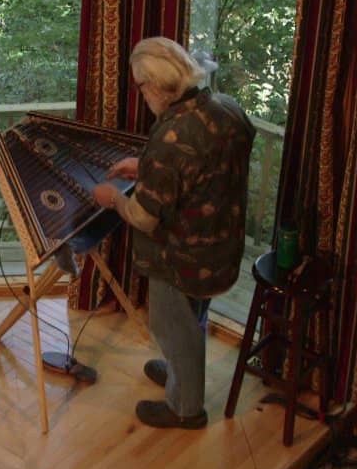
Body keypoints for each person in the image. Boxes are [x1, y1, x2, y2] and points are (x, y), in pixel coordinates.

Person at [92, 37, 254, 429]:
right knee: (193, 318)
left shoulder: (173, 136)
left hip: (180, 255)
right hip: (220, 244)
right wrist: (145, 164)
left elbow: (145, 217)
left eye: (140, 85)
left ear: (158, 85)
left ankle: (186, 408)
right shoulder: (225, 108)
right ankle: (180, 373)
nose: (141, 92)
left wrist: (113, 199)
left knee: (173, 327)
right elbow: (198, 167)